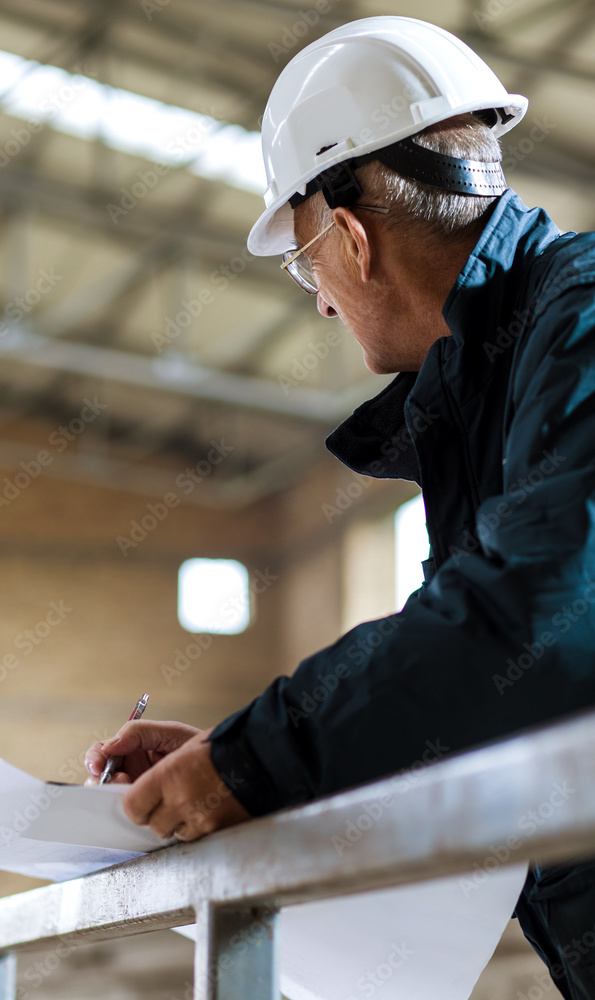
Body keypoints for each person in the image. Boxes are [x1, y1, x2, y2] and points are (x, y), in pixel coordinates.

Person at [86, 17, 595, 998]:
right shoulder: (505, 379)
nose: (318, 303)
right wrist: (242, 757)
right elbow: (484, 687)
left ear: (352, 240)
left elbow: (542, 610)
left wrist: (262, 757)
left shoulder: (575, 325)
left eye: (302, 266)